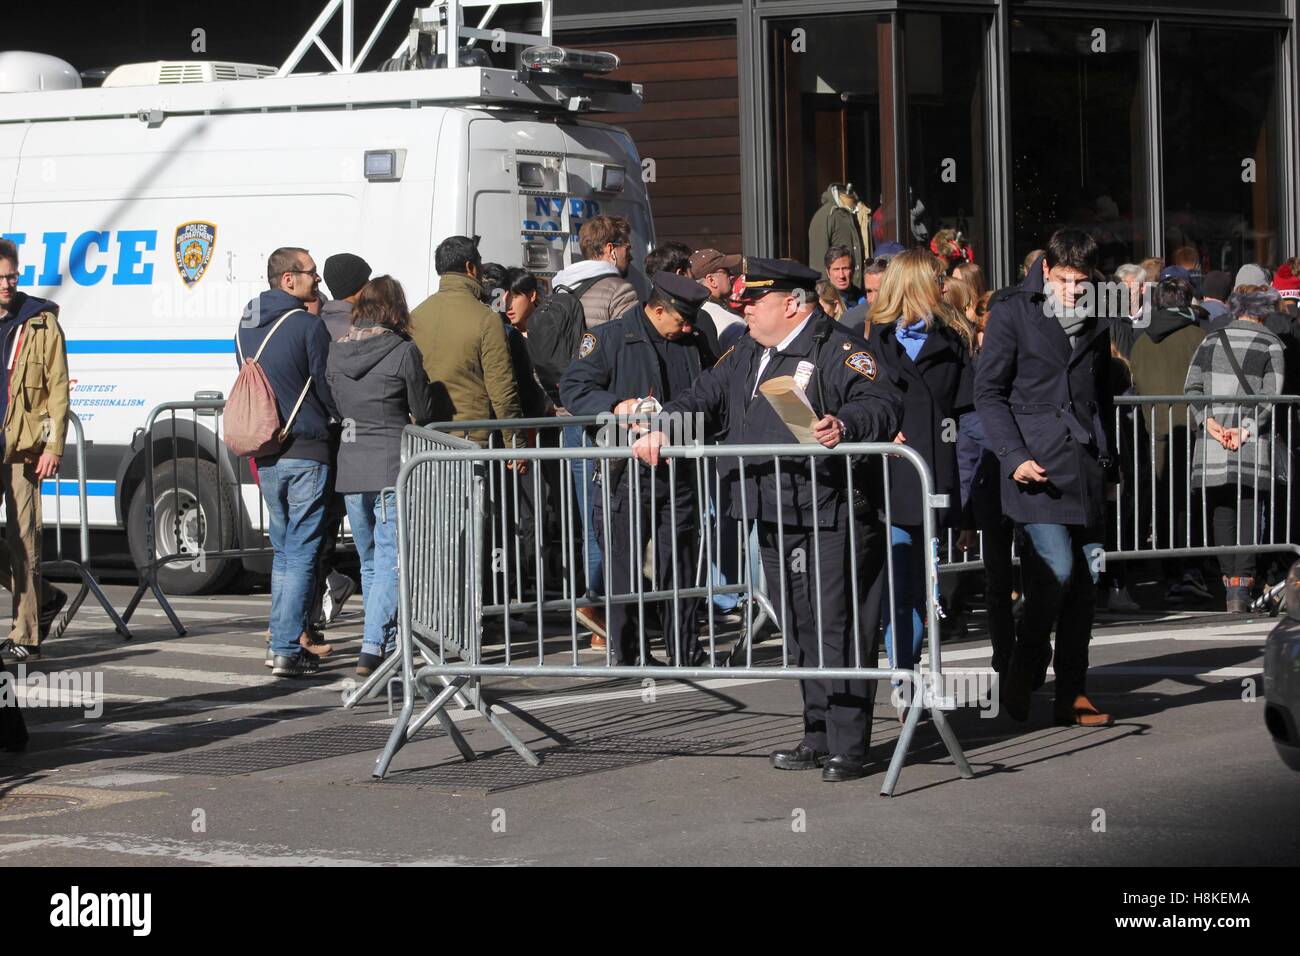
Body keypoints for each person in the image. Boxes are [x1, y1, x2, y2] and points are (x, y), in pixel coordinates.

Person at [633, 258, 903, 782]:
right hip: (770, 505)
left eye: (755, 301)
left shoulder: (838, 348)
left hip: (831, 509)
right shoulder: (747, 352)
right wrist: (665, 427)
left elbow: (882, 401)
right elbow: (702, 398)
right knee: (800, 628)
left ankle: (849, 744)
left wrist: (844, 423)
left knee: (838, 627)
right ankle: (817, 733)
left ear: (792, 304)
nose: (745, 309)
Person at [974, 228, 1117, 727]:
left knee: (1084, 586)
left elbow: (1101, 394)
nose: (1072, 290)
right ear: (1047, 271)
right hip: (1034, 466)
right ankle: (1023, 666)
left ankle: (1072, 692)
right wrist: (1012, 455)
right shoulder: (1013, 309)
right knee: (1054, 571)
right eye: (1063, 280)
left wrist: (1111, 462)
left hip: (1085, 466)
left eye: (1082, 281)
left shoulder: (1100, 309)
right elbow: (988, 391)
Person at [560, 272, 715, 663]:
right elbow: (575, 387)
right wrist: (614, 407)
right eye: (681, 319)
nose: (687, 327)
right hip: (624, 475)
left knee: (678, 564)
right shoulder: (611, 337)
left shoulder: (693, 343)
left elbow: (712, 391)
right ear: (657, 309)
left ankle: (684, 650)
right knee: (624, 569)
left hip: (678, 471)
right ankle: (628, 654)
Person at [869, 250, 975, 712]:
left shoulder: (954, 339)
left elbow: (968, 413)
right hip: (888, 479)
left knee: (923, 584)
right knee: (900, 583)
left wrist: (968, 485)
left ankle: (911, 674)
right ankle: (904, 676)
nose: (946, 284)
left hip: (935, 474)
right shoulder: (872, 339)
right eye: (938, 278)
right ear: (915, 284)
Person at [237, 247, 340, 678]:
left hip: (266, 452)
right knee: (300, 554)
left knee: (283, 553)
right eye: (311, 273)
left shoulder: (245, 326)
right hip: (306, 450)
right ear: (288, 279)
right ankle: (285, 648)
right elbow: (326, 386)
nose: (317, 280)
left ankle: (279, 642)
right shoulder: (306, 325)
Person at [326, 276, 435, 675]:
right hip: (392, 466)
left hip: (351, 467)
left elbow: (335, 402)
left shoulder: (335, 352)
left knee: (370, 562)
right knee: (391, 560)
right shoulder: (404, 351)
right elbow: (421, 409)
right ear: (395, 310)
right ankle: (373, 647)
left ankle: (385, 643)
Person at [1184, 285, 1285, 612]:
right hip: (1251, 441)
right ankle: (1243, 586)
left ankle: (1230, 585)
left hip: (1212, 441)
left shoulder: (1210, 339)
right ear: (1264, 309)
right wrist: (1244, 430)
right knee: (1248, 509)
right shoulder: (1271, 343)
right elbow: (1271, 397)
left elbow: (1192, 386)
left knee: (1221, 509)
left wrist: (1209, 423)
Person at [0, 237, 69, 661]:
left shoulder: (41, 322)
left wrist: (52, 445)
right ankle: (42, 596)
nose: (7, 284)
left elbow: (57, 389)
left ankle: (25, 635)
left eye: (11, 275)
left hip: (24, 447)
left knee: (24, 537)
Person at [1129, 273, 1210, 603]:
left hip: (1156, 431)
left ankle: (1170, 573)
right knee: (1192, 503)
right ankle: (1190, 570)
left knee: (1163, 504)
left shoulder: (1141, 340)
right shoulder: (1198, 337)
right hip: (1193, 430)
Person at [408, 236, 521, 446]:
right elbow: (502, 390)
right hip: (469, 439)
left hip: (423, 439)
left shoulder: (415, 316)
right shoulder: (487, 318)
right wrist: (514, 441)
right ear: (471, 267)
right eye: (479, 264)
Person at [551, 215, 639, 329]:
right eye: (627, 248)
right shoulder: (621, 290)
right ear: (610, 249)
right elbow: (631, 342)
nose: (631, 257)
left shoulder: (560, 287)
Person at [808, 183, 870, 288]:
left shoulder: (864, 213)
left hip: (862, 293)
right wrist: (827, 298)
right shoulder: (826, 216)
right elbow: (818, 266)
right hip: (836, 296)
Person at [689, 248, 744, 339]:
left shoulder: (690, 312)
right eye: (727, 271)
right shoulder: (733, 323)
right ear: (711, 280)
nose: (732, 276)